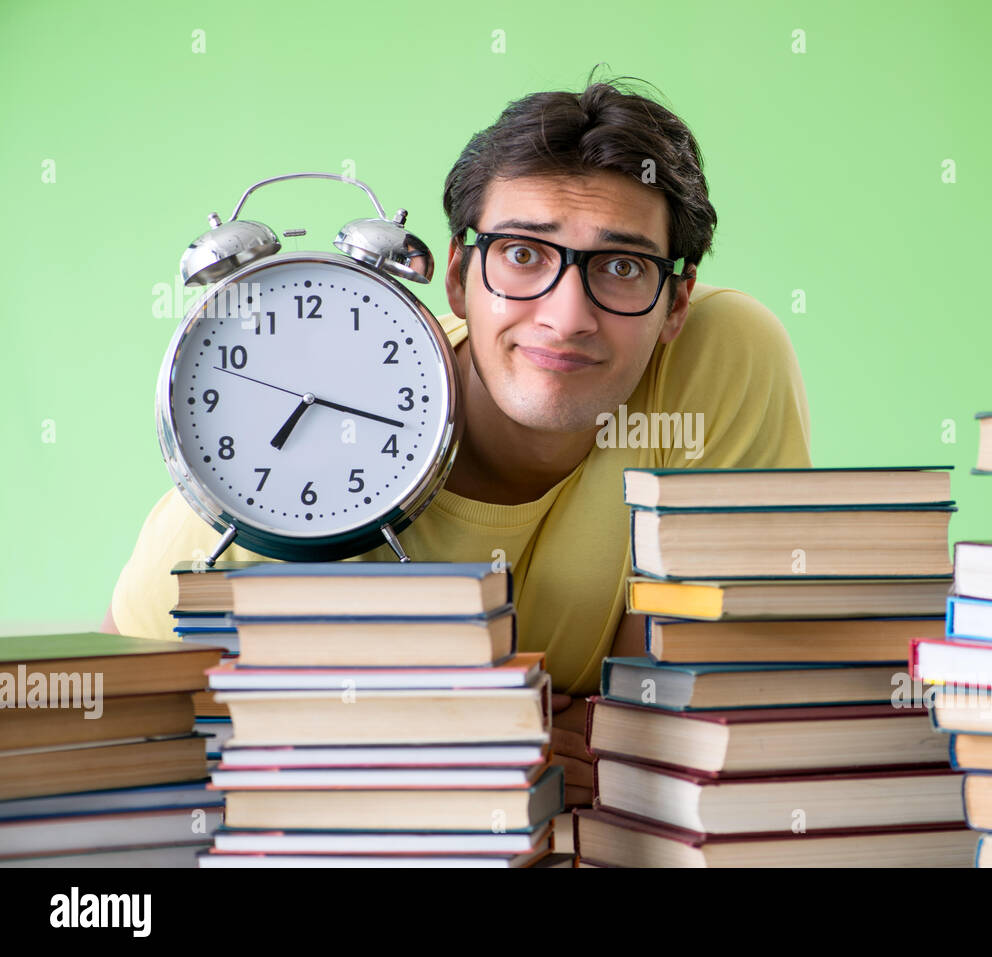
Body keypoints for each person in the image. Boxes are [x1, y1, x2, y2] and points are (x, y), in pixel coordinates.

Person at [106, 69, 812, 809]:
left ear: (676, 302)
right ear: (456, 277)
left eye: (624, 266)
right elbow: (114, 740)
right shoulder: (265, 497)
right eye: (524, 255)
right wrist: (447, 742)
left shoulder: (719, 356)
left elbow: (664, 719)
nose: (566, 316)